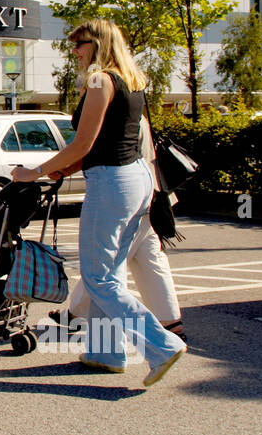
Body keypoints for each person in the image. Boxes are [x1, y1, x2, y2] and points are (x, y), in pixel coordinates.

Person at [10, 19, 186, 386]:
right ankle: (107, 352)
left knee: (99, 277)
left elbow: (83, 143)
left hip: (111, 185)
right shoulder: (131, 81)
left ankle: (163, 346)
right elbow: (107, 143)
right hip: (137, 179)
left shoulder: (99, 81)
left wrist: (35, 172)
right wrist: (66, 168)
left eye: (80, 43)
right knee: (111, 271)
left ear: (100, 44)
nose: (74, 51)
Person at [49, 112, 186, 342]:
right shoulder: (136, 112)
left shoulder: (114, 114)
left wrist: (57, 170)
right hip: (149, 193)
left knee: (103, 263)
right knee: (150, 259)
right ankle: (170, 320)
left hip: (126, 198)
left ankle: (75, 315)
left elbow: (92, 150)